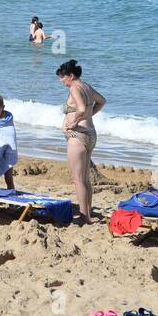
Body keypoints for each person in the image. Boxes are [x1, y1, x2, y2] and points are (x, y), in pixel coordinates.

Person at [57, 59, 104, 226]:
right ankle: (87, 213)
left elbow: (82, 109)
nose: (61, 80)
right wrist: (89, 115)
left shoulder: (75, 87)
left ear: (71, 76)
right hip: (90, 133)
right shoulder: (87, 86)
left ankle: (84, 216)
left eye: (63, 77)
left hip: (78, 136)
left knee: (78, 179)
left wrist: (74, 122)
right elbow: (101, 101)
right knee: (84, 178)